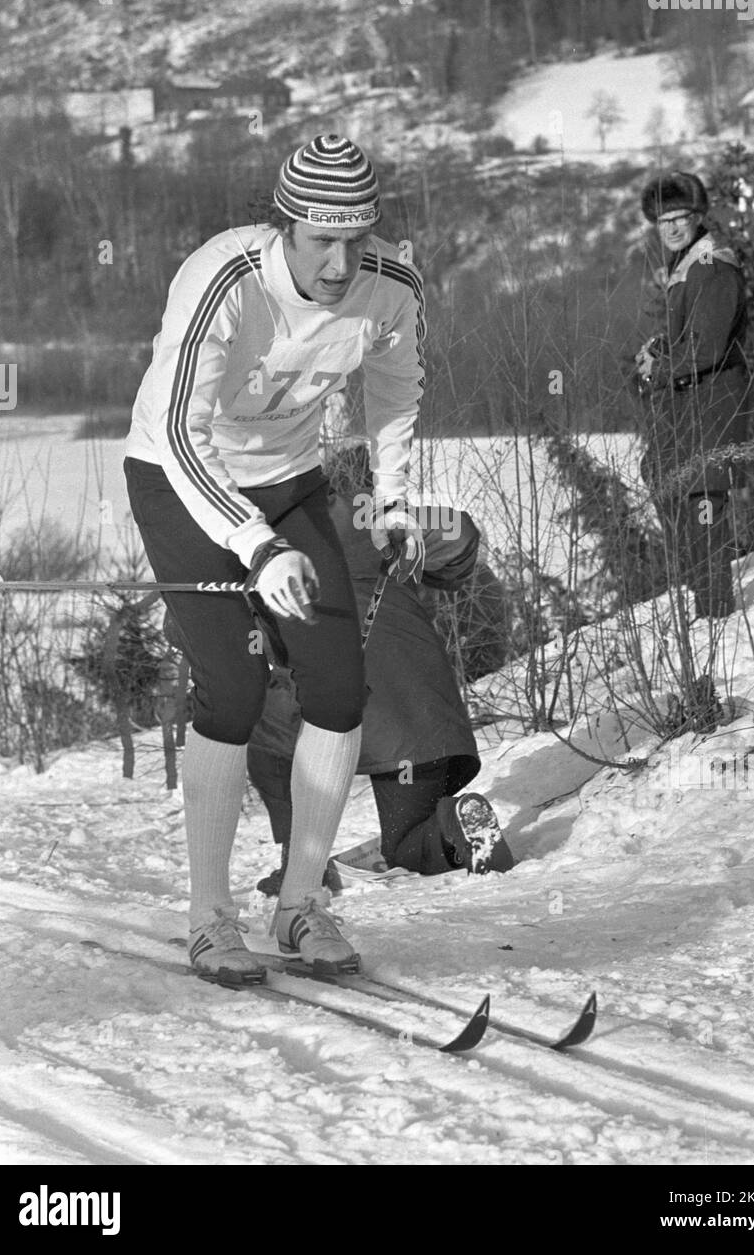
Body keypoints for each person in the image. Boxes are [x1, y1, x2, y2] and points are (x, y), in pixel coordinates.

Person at [123, 133, 427, 980]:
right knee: (235, 683)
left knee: (336, 686)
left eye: (355, 240)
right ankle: (211, 918)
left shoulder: (389, 287)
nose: (339, 263)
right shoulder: (222, 278)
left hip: (290, 484)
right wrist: (256, 549)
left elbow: (396, 391)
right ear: (284, 226)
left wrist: (394, 497)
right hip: (181, 482)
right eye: (321, 240)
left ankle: (300, 908)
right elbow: (182, 435)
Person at [246, 445, 515, 890]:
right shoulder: (368, 518)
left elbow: (186, 631)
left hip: (345, 698)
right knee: (407, 839)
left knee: (264, 729)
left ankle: (300, 864)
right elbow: (461, 532)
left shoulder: (263, 534)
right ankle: (453, 827)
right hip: (423, 705)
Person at [633, 170, 751, 619]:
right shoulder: (686, 266)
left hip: (714, 400)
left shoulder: (712, 267)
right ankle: (702, 591)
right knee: (663, 475)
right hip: (690, 403)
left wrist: (660, 367)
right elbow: (692, 336)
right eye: (665, 221)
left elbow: (710, 346)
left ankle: (715, 607)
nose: (674, 228)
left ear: (699, 216)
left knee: (703, 498)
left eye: (682, 217)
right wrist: (660, 350)